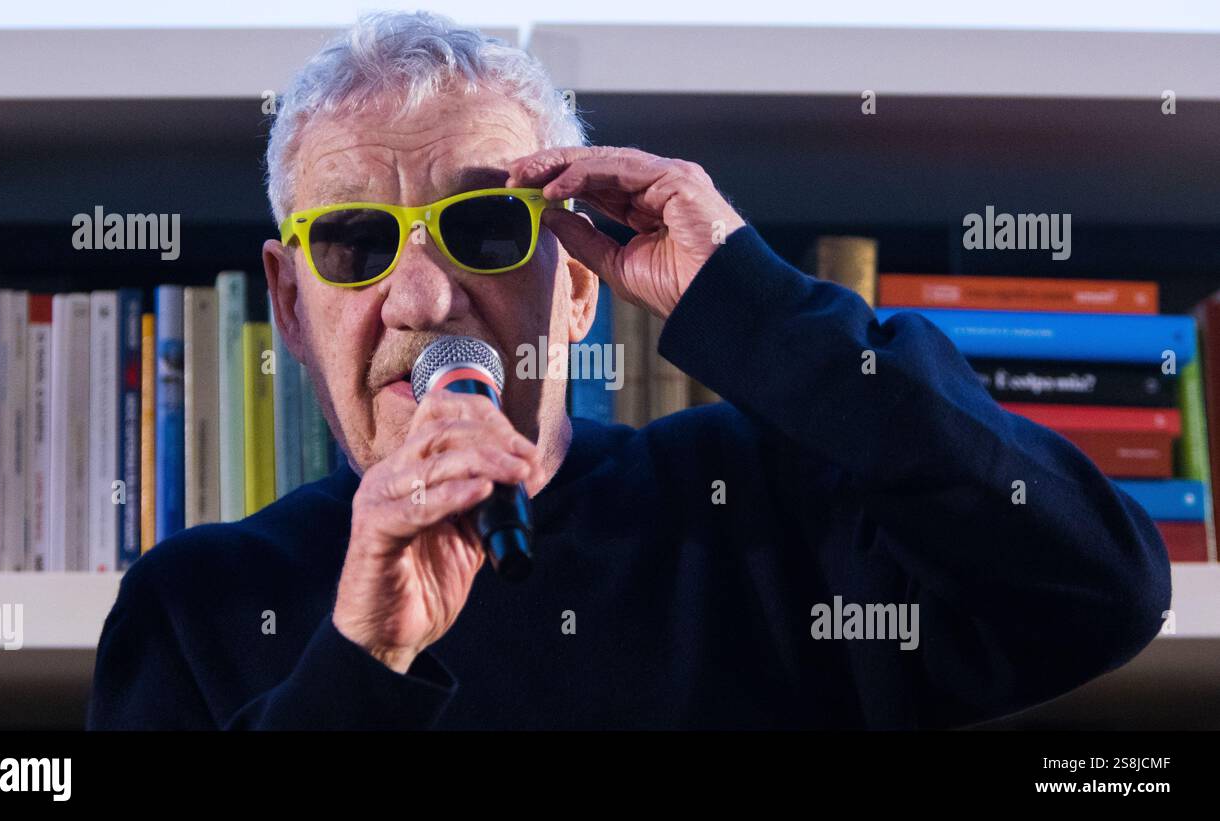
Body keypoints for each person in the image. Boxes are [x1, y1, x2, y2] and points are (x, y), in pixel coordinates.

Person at [87, 10, 1170, 730]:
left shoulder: (766, 511)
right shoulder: (198, 605)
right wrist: (359, 662)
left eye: (483, 227)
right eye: (356, 243)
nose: (422, 299)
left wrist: (746, 294)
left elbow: (1098, 588)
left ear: (575, 286)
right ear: (289, 303)